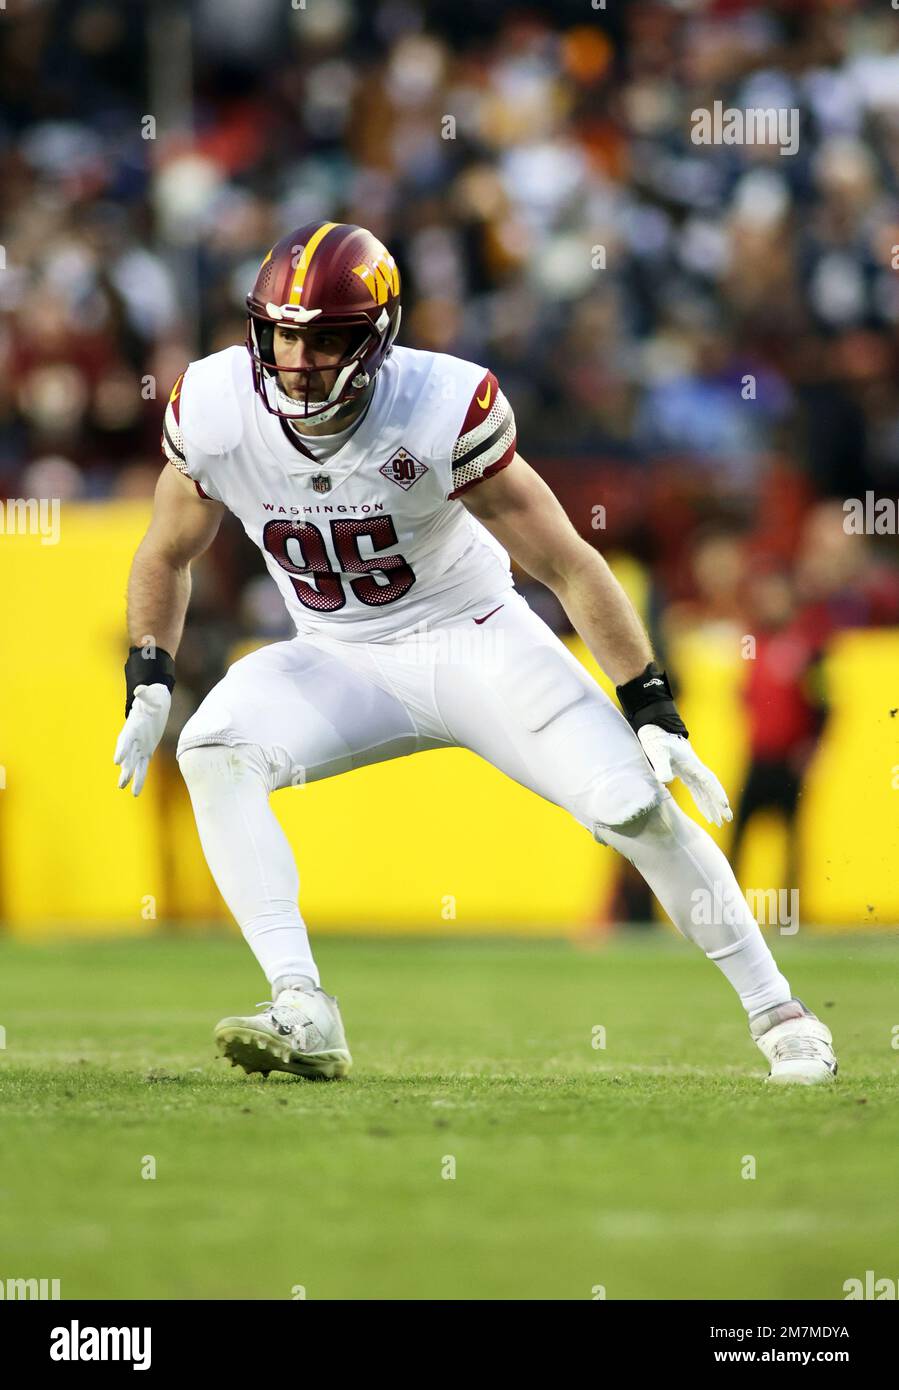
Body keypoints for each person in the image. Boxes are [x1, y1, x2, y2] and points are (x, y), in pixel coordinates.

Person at [113, 221, 837, 1085]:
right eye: (287, 333)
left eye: (327, 337)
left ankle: (781, 1016)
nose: (300, 359)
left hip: (475, 640)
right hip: (338, 654)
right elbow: (165, 550)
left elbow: (568, 561)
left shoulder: (438, 405)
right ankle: (301, 1005)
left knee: (632, 808)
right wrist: (150, 674)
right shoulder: (217, 406)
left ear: (376, 338)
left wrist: (648, 701)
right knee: (214, 748)